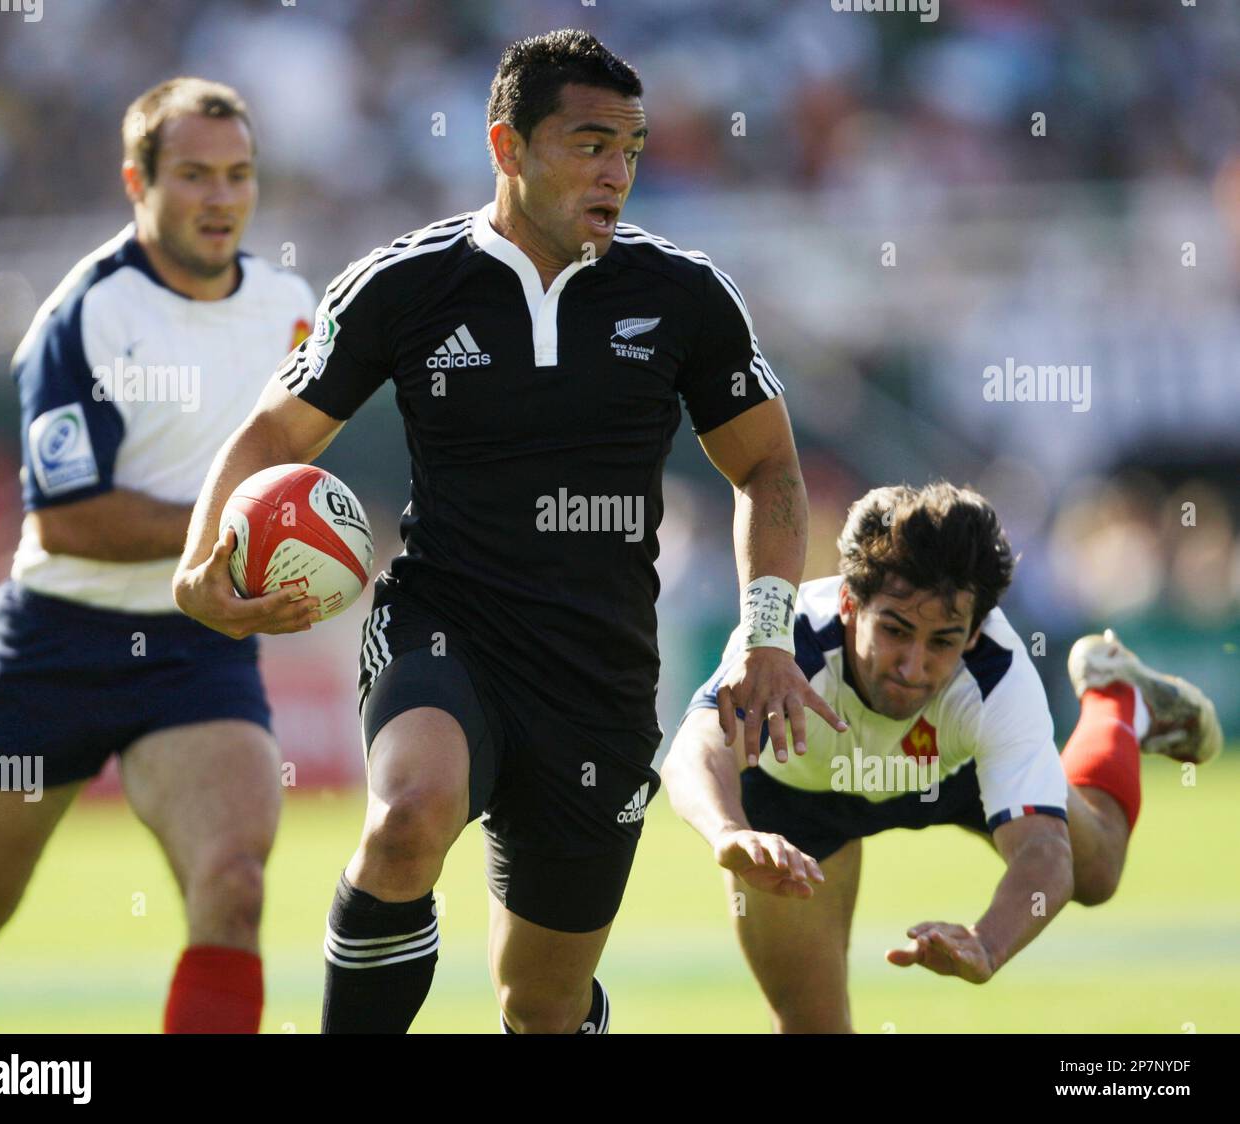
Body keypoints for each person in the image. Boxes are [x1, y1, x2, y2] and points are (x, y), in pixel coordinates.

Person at [173, 28, 845, 1034]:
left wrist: (763, 628)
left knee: (540, 1003)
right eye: (587, 144)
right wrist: (199, 567)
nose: (616, 171)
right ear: (507, 147)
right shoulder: (402, 284)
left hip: (599, 671)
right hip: (446, 626)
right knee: (405, 821)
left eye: (631, 147)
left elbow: (769, 467)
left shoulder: (683, 296)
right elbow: (275, 432)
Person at [0, 77, 316, 1034]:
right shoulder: (84, 315)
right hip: (57, 648)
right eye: (194, 174)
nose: (221, 197)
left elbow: (295, 476)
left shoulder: (291, 307)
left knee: (232, 888)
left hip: (196, 648)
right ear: (135, 183)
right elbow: (71, 522)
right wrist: (235, 529)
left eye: (238, 175)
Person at [663, 481, 1223, 1033]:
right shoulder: (789, 642)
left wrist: (988, 943)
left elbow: (1044, 855)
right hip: (797, 798)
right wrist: (728, 831)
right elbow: (694, 750)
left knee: (1096, 875)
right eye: (895, 630)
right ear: (848, 603)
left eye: (941, 642)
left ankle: (1115, 701)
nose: (912, 667)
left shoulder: (996, 673)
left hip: (957, 775)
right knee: (812, 1026)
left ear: (975, 633)